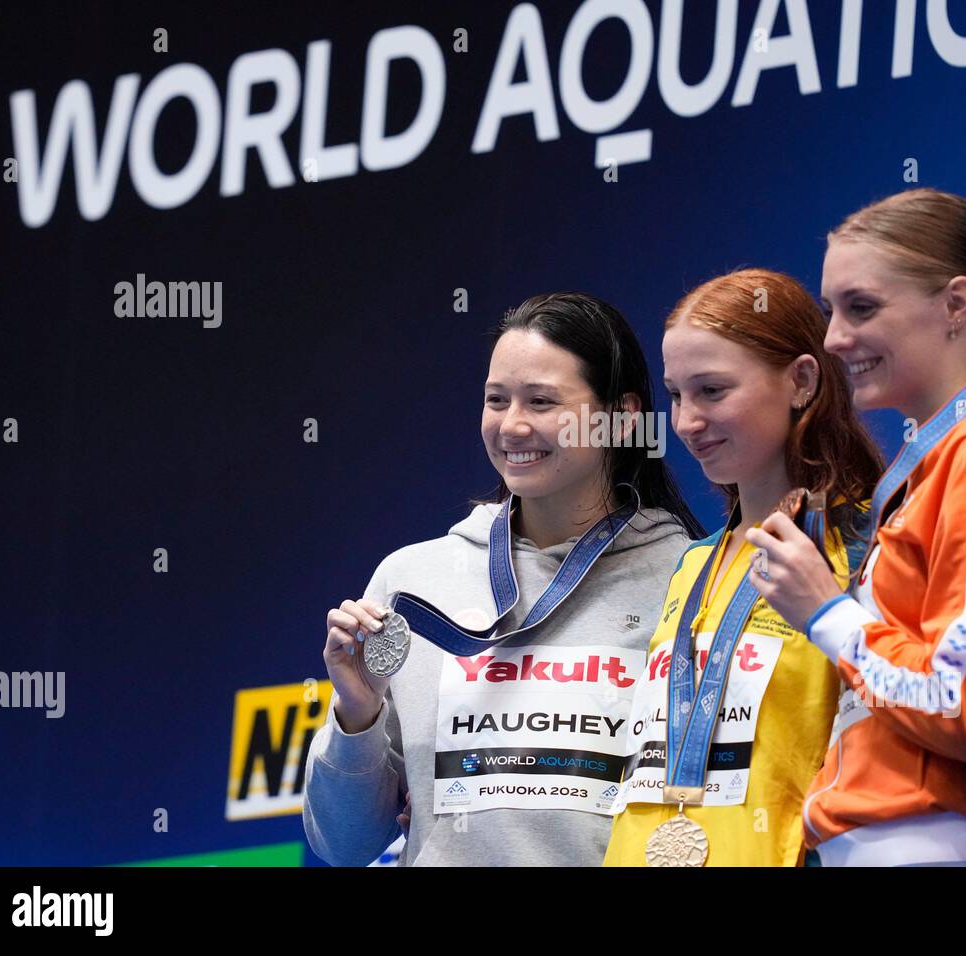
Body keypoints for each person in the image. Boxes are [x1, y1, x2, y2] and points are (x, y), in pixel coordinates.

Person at [749, 188, 966, 866]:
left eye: (862, 307)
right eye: (830, 310)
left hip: (937, 842)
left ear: (957, 305)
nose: (833, 338)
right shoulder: (948, 459)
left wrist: (826, 612)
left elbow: (963, 703)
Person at [302, 292, 704, 867]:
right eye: (496, 400)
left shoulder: (689, 579)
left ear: (623, 416)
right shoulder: (413, 580)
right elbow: (344, 844)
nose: (512, 425)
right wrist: (357, 712)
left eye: (541, 401)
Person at [602, 268, 884, 866]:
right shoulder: (691, 564)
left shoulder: (871, 544)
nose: (685, 423)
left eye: (713, 390)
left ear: (802, 381)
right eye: (676, 395)